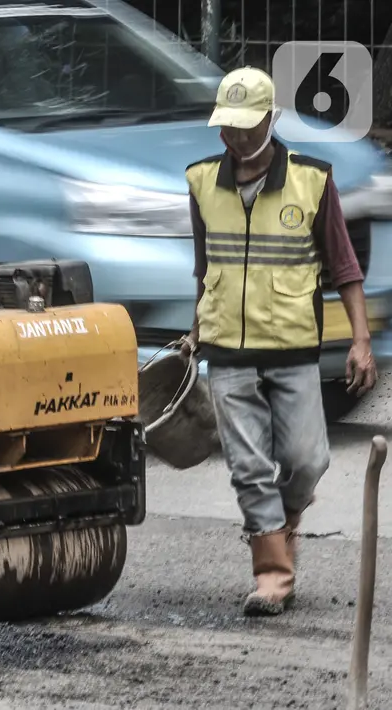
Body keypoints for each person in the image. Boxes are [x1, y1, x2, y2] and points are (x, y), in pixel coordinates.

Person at [182, 66, 378, 616]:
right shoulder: (201, 180)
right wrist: (196, 330)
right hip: (228, 351)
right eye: (228, 127)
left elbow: (345, 269)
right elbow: (204, 267)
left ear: (271, 119)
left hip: (293, 348)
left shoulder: (311, 180)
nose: (237, 138)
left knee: (307, 460)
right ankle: (272, 575)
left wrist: (360, 340)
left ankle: (284, 523)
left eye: (248, 126)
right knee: (249, 468)